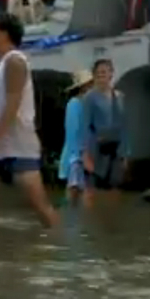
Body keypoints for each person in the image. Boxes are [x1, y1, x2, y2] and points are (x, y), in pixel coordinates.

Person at [0, 12, 59, 228]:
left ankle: (60, 245)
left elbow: (13, 106)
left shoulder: (15, 62)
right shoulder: (3, 64)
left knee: (40, 207)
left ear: (5, 34)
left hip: (19, 147)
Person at [82, 59, 129, 195]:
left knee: (115, 186)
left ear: (111, 74)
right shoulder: (90, 98)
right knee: (96, 187)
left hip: (117, 147)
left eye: (104, 72)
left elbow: (124, 126)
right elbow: (85, 126)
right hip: (97, 147)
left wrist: (126, 152)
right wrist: (85, 155)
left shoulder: (120, 97)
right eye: (98, 73)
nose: (101, 75)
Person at [59, 70, 93, 206]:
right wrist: (78, 157)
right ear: (84, 86)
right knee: (76, 191)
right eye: (90, 84)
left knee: (84, 192)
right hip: (77, 156)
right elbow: (72, 133)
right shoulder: (74, 104)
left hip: (89, 154)